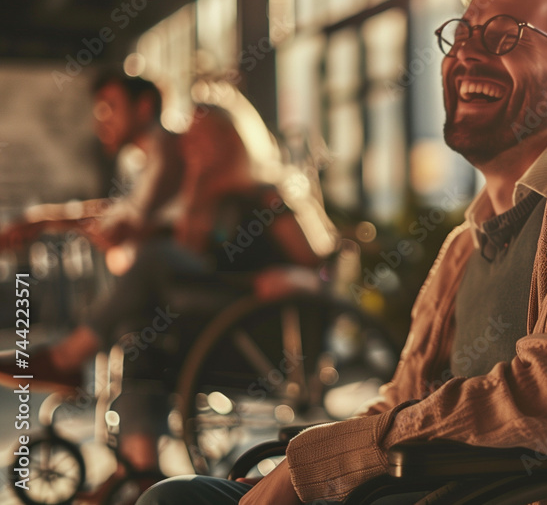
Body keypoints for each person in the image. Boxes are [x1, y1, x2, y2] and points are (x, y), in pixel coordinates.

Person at [137, 0, 547, 505]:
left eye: (504, 35)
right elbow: (399, 404)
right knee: (184, 495)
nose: (465, 54)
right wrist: (308, 468)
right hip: (427, 492)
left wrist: (317, 463)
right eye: (460, 35)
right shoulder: (466, 244)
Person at [1, 104, 323, 478]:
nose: (192, 147)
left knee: (156, 259)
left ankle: (68, 356)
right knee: (139, 340)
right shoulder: (201, 204)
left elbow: (320, 269)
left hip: (262, 336)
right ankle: (140, 472)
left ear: (231, 141)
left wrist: (297, 279)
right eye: (190, 140)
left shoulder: (266, 198)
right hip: (209, 328)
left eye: (203, 138)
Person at [0, 71, 184, 257]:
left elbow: (128, 220)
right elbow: (119, 212)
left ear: (144, 106)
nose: (100, 123)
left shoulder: (170, 150)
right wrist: (43, 219)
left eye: (109, 108)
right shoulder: (145, 160)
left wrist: (44, 220)